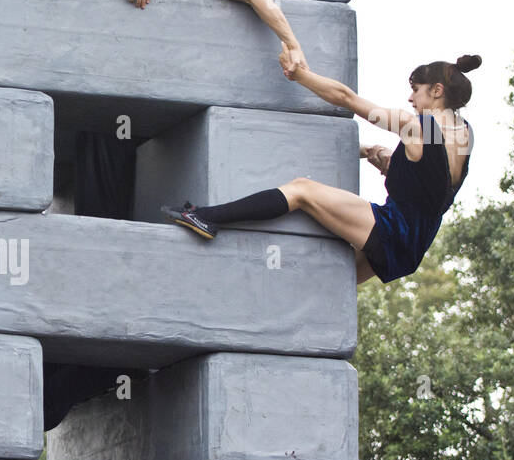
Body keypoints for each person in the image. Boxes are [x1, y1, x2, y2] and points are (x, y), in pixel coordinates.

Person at [43, 0, 310, 428]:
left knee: (113, 184)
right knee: (98, 157)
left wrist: (291, 44)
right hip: (83, 67)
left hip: (134, 87)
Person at [163, 52, 482, 285]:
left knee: (302, 190)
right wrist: (385, 160)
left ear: (437, 90)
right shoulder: (464, 135)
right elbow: (432, 186)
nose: (411, 97)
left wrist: (300, 75)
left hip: (394, 228)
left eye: (416, 89)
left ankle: (206, 217)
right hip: (416, 242)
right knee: (328, 289)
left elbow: (346, 98)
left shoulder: (417, 126)